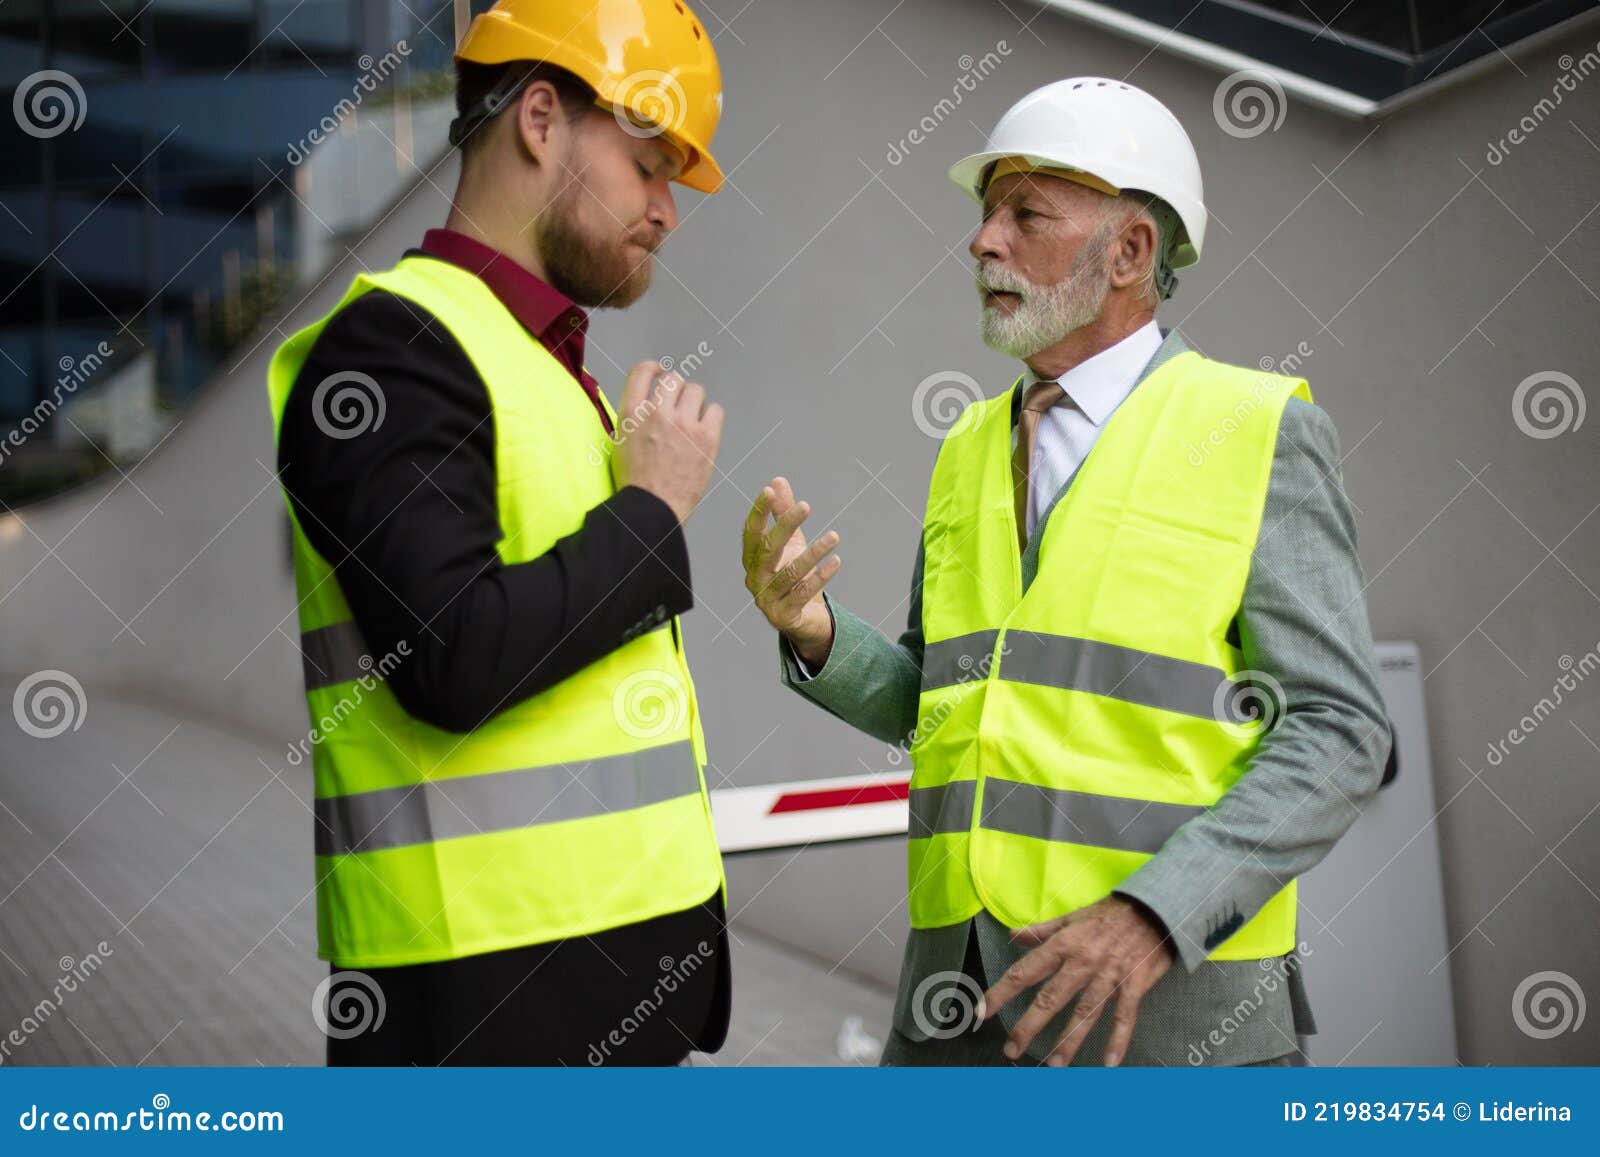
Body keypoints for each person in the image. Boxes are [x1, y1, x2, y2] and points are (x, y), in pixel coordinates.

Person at [741, 78, 1391, 1066]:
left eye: (1025, 214)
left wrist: (1155, 914)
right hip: (951, 1006)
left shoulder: (1257, 429)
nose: (982, 242)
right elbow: (945, 703)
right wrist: (815, 631)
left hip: (1170, 1024)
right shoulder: (968, 443)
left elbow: (1339, 731)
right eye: (985, 213)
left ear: (1130, 251)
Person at [266, 0, 731, 1066]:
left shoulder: (544, 368)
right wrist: (651, 513)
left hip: (592, 987)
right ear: (539, 117)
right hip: (484, 1005)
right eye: (649, 167)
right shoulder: (389, 352)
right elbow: (450, 656)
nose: (668, 211)